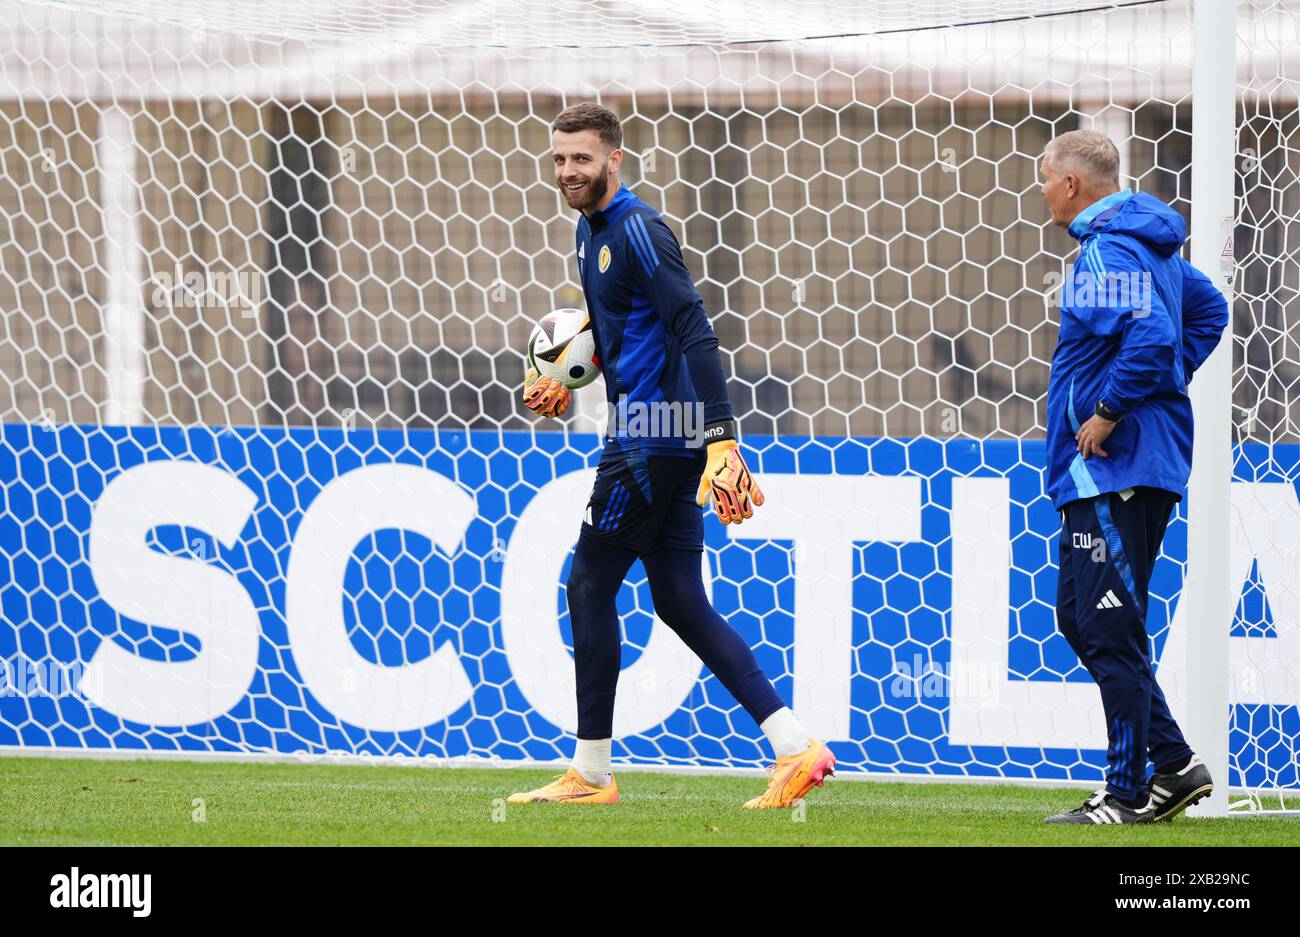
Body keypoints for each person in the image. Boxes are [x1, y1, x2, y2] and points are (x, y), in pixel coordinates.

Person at [507, 102, 834, 808]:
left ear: (613, 159)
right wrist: (568, 382)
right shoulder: (589, 231)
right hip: (658, 431)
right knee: (681, 599)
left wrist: (723, 437)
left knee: (589, 584)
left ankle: (592, 773)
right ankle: (797, 746)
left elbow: (693, 328)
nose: (568, 171)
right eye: (560, 158)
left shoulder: (639, 228)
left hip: (655, 437)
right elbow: (624, 329)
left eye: (582, 159)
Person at [1038, 130, 1227, 824]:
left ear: (1071, 185)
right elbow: (1208, 312)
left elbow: (1149, 335)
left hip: (1115, 468)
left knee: (1108, 628)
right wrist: (1169, 384)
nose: (1043, 190)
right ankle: (1174, 765)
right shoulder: (1152, 249)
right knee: (1081, 620)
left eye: (1045, 178)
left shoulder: (1108, 250)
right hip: (1118, 469)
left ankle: (1124, 794)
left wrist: (1114, 410)